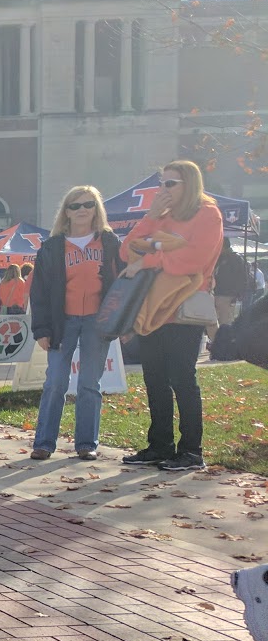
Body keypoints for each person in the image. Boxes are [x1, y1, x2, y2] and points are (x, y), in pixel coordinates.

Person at [120, 159, 225, 472]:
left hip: (183, 307)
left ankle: (191, 451)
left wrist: (149, 259)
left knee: (182, 378)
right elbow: (128, 252)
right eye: (161, 183)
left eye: (170, 183)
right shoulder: (161, 216)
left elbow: (193, 258)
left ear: (188, 184)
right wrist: (151, 218)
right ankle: (160, 445)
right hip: (154, 308)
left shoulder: (208, 213)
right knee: (154, 378)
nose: (163, 189)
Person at [30, 186, 121, 461]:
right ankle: (44, 442)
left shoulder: (109, 242)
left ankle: (86, 443)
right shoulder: (53, 246)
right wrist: (42, 329)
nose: (82, 209)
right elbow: (40, 291)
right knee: (56, 381)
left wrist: (120, 321)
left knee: (89, 383)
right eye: (75, 205)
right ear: (66, 212)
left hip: (97, 321)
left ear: (97, 208)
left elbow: (121, 284)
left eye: (88, 204)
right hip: (62, 322)